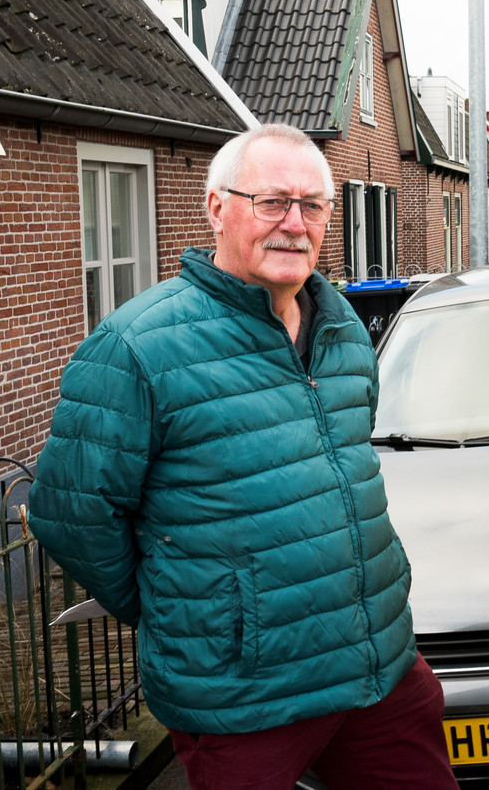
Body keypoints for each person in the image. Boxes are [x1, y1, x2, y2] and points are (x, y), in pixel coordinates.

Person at [28, 123, 458, 790]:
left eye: (312, 205)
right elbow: (70, 513)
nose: (294, 223)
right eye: (271, 202)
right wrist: (191, 607)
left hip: (375, 668)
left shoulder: (341, 324)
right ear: (216, 207)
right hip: (243, 695)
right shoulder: (137, 346)